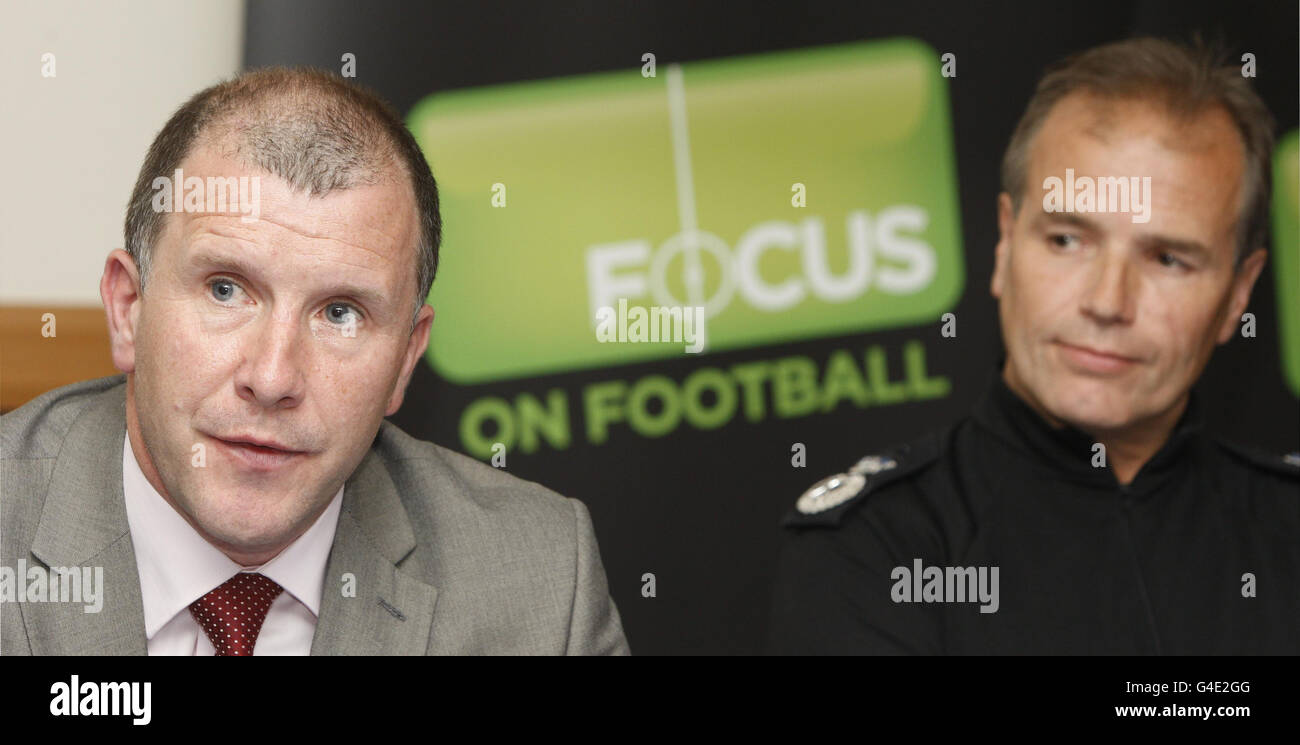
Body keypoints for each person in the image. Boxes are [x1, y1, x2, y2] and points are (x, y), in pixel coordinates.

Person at [1, 67, 629, 655]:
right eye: (226, 290)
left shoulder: (540, 583)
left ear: (406, 359)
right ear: (128, 308)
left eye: (341, 313)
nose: (272, 379)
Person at [767, 37, 1299, 654]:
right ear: (1004, 242)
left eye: (1169, 258)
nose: (1107, 301)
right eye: (1067, 241)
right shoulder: (874, 545)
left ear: (1238, 294)